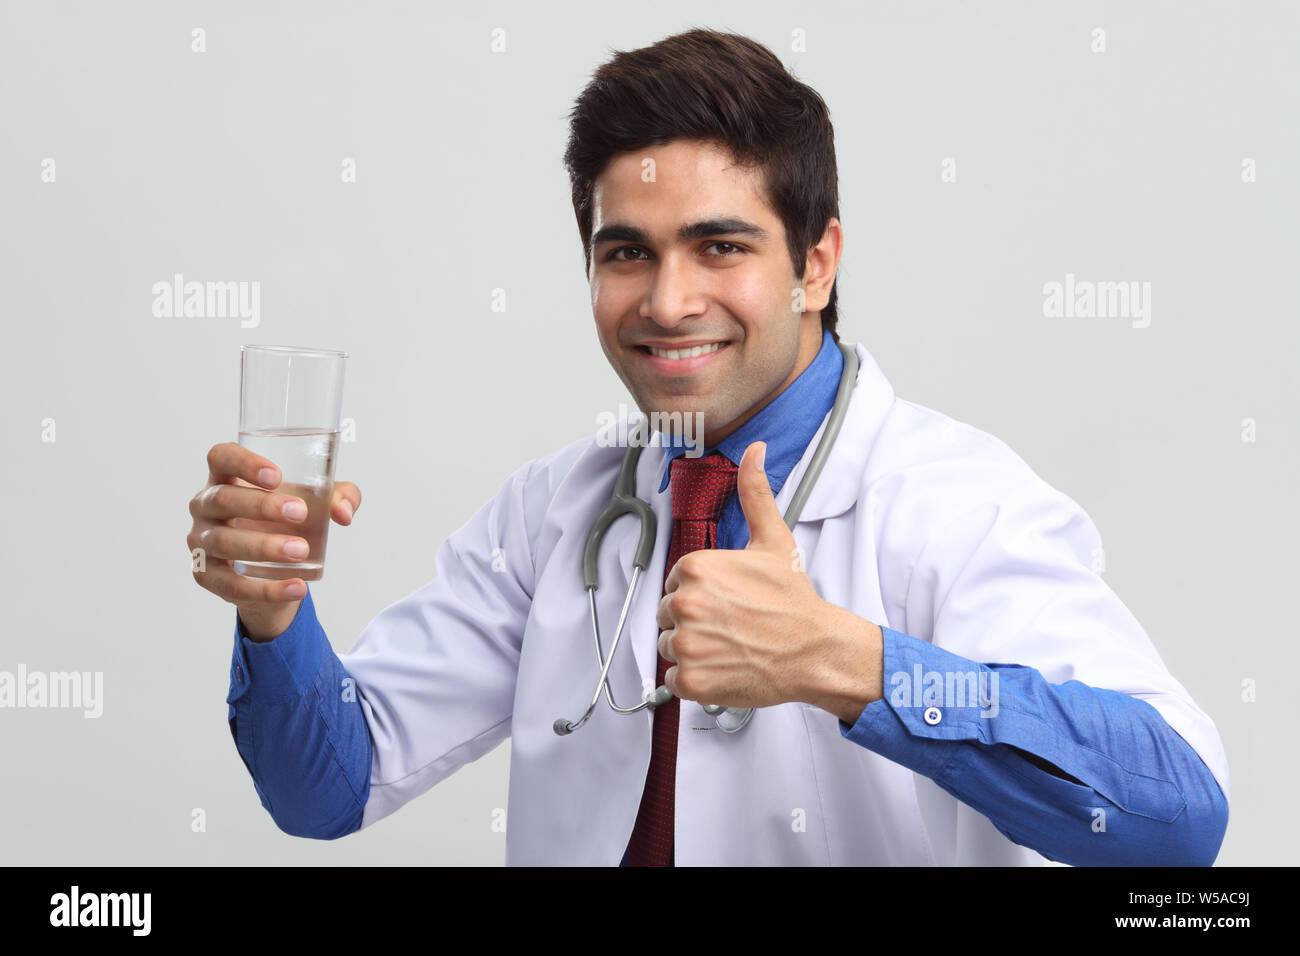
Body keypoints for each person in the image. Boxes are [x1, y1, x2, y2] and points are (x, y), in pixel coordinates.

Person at [187, 28, 1228, 866]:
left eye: (719, 246)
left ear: (815, 261)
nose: (668, 300)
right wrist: (274, 617)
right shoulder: (557, 508)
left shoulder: (951, 502)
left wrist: (845, 661)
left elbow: (1177, 815)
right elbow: (328, 785)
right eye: (626, 252)